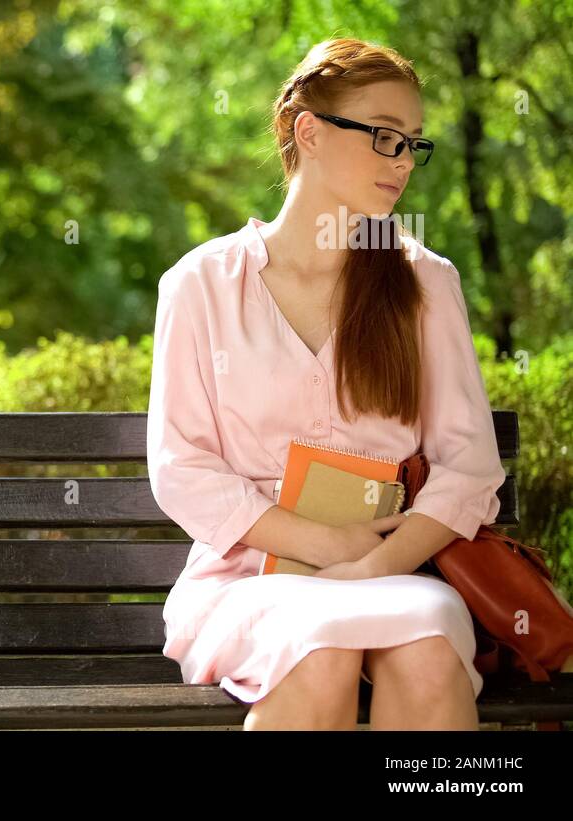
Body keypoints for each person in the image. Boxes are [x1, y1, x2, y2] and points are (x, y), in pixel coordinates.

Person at [147, 38, 506, 731]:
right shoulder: (200, 285)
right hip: (250, 580)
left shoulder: (425, 282)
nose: (402, 162)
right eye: (382, 137)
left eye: (411, 144)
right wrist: (326, 545)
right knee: (319, 650)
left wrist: (371, 565)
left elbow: (468, 468)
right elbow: (182, 467)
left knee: (430, 649)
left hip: (398, 573)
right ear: (308, 131)